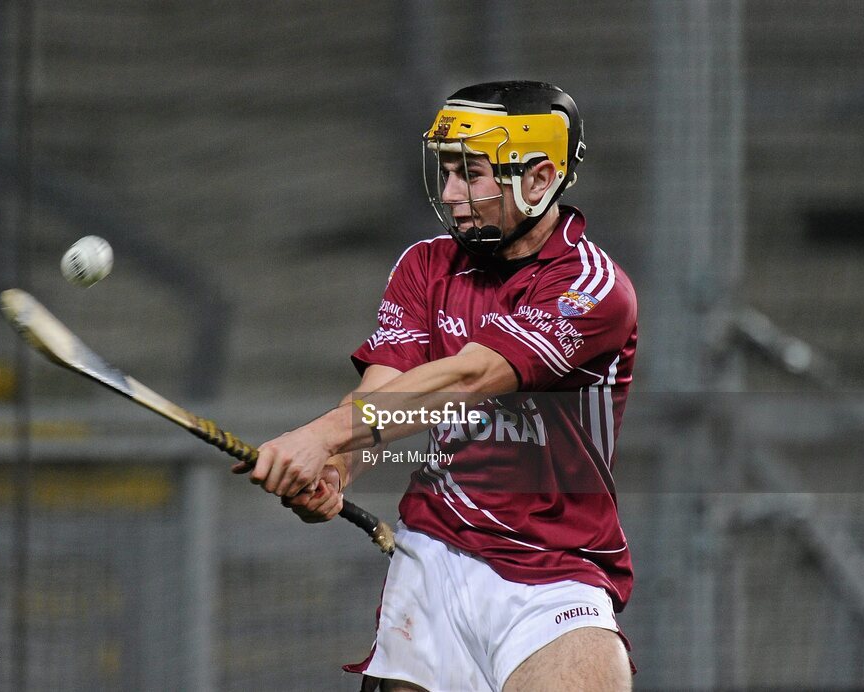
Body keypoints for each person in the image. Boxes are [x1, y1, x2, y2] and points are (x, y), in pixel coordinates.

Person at [237, 81, 637, 691]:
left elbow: (471, 376)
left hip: (555, 574)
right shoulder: (424, 266)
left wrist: (317, 436)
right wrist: (337, 469)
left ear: (539, 179)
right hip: (434, 554)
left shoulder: (593, 289)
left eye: (472, 173)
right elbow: (382, 400)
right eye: (447, 171)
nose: (450, 194)